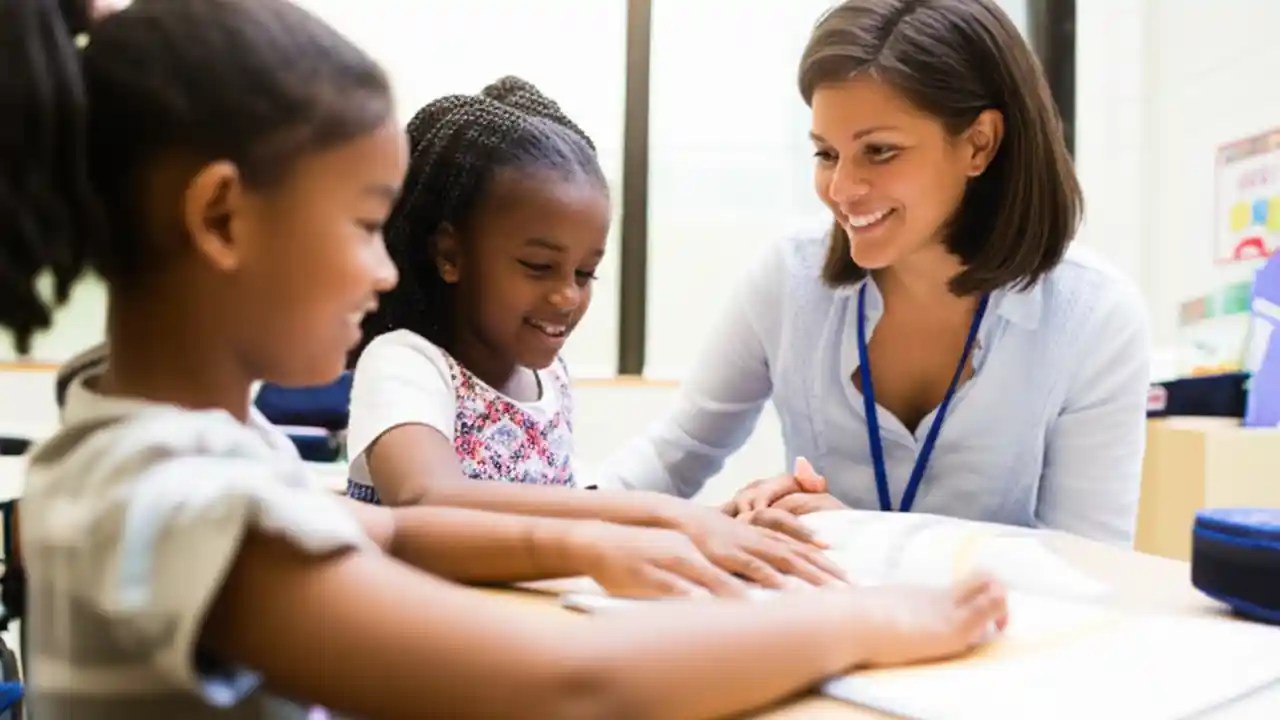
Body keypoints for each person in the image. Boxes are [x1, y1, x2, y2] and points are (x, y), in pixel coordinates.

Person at [5, 1, 1008, 717]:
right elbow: (570, 686)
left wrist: (621, 530)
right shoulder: (176, 500)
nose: (377, 269)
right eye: (363, 225)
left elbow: (384, 536)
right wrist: (867, 623)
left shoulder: (157, 436)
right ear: (221, 217)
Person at [600, 0, 1150, 546]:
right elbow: (671, 458)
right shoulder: (788, 280)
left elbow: (1090, 561)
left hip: (1010, 634)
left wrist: (862, 536)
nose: (841, 189)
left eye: (880, 151)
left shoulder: (1096, 318)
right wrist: (546, 526)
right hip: (825, 628)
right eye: (826, 154)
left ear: (979, 143)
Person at [346, 77, 843, 587]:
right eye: (538, 266)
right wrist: (671, 517)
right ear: (450, 255)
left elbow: (576, 505)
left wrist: (723, 522)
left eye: (585, 274)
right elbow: (428, 500)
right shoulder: (405, 363)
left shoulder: (550, 381)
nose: (567, 295)